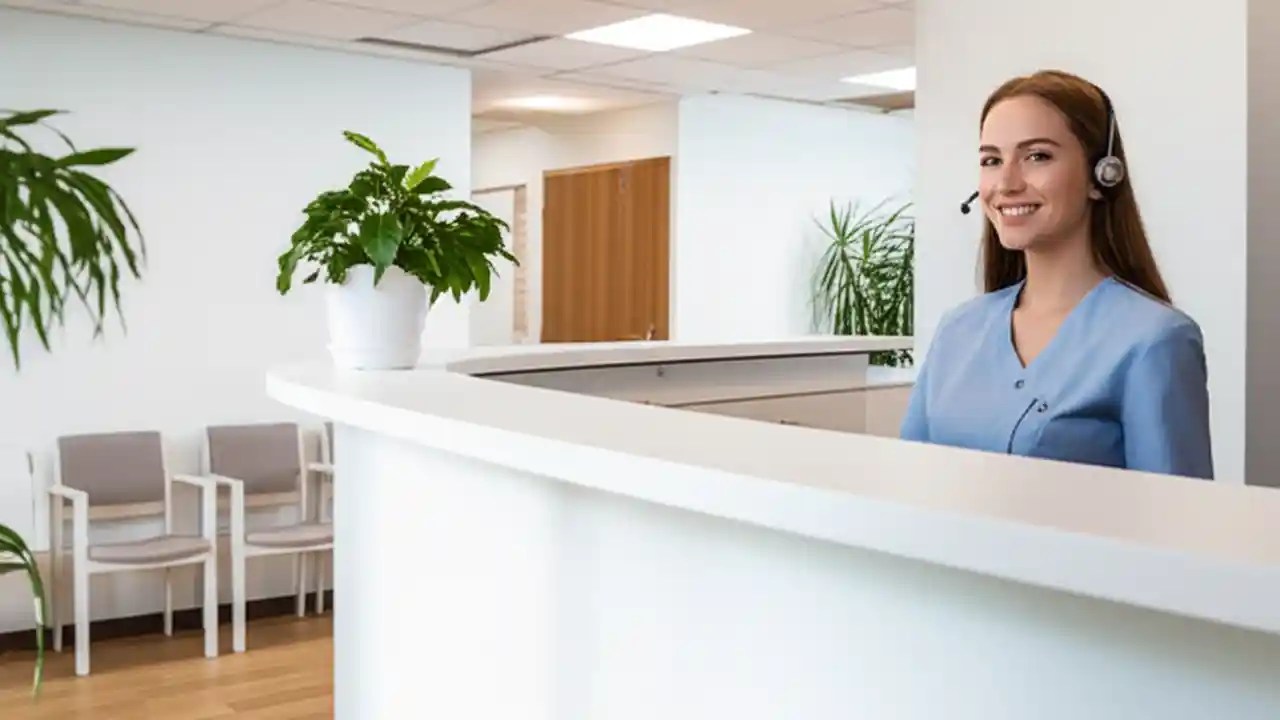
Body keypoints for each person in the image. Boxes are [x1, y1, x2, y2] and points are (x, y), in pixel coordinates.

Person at [899, 69, 1214, 480]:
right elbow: (910, 482)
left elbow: (1178, 522)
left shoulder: (1154, 340)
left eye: (1037, 156)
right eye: (992, 160)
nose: (1007, 183)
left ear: (1102, 176)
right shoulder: (958, 330)